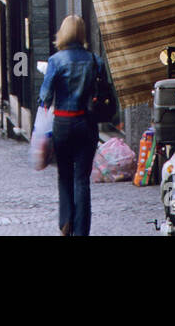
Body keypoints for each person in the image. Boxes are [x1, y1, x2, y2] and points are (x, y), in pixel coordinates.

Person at [37, 15, 108, 236]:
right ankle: (81, 231)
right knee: (82, 180)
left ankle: (65, 221)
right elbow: (104, 91)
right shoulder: (95, 61)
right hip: (87, 124)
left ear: (63, 33)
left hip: (63, 123)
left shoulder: (56, 61)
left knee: (64, 175)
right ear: (82, 34)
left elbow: (45, 96)